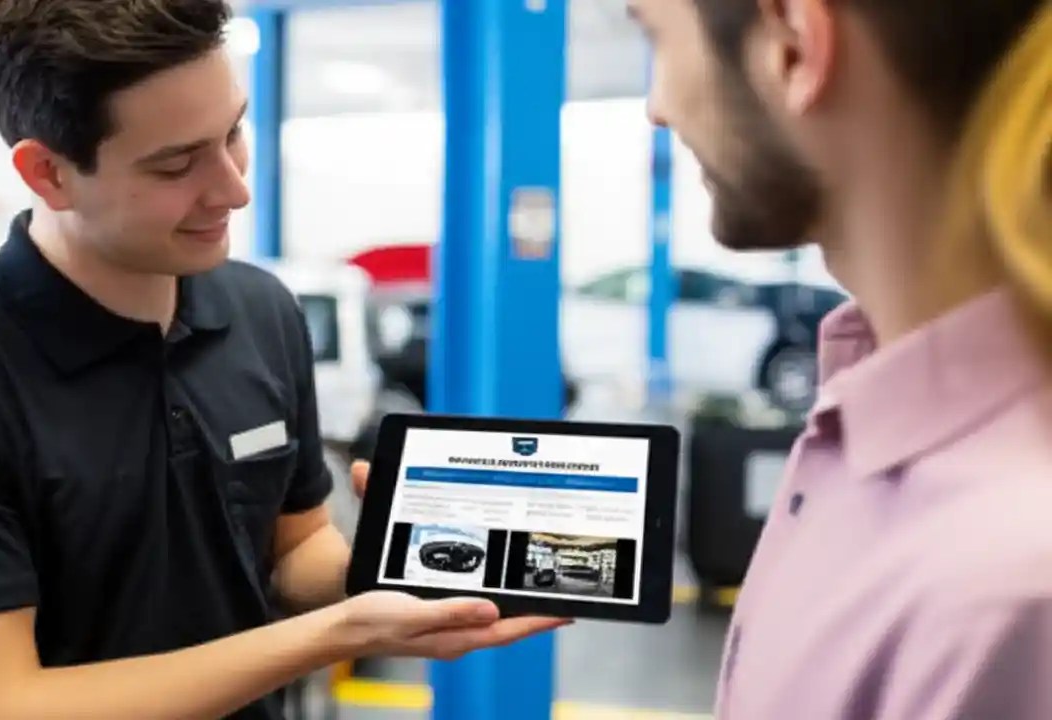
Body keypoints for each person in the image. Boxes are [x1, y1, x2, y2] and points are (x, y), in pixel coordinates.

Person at [0, 2, 565, 719]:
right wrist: (340, 634)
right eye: (177, 164)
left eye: (234, 133)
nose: (234, 189)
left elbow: (294, 549)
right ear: (48, 173)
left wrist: (388, 563)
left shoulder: (262, 311)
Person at [369, 0, 1052, 717]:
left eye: (658, 41)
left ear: (792, 45)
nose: (657, 108)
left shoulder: (1002, 590)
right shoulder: (879, 430)